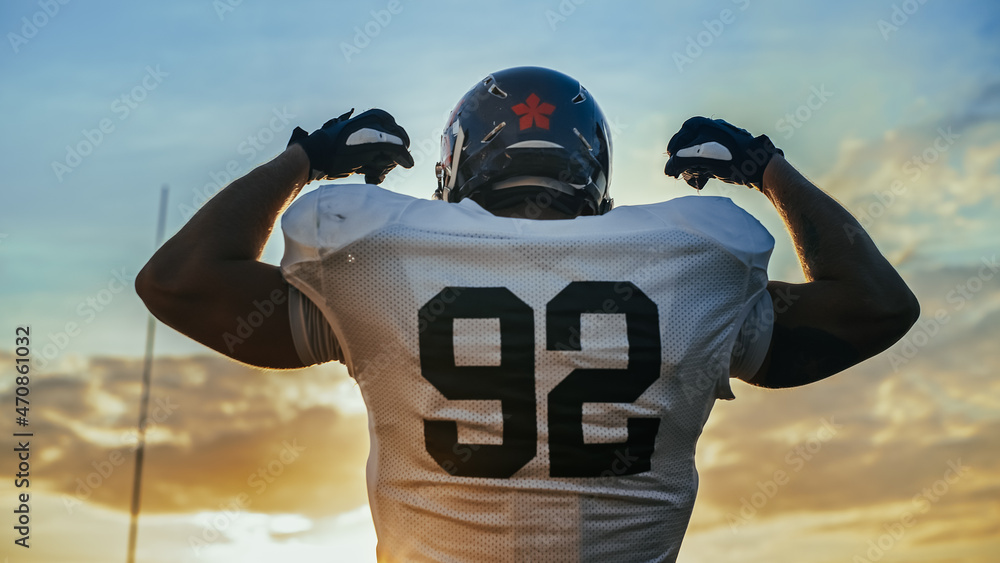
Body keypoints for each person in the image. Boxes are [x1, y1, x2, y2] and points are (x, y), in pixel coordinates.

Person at [137, 66, 919, 562]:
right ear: (594, 166)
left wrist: (305, 158)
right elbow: (877, 307)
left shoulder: (374, 255)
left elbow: (178, 282)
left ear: (456, 164)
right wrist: (767, 168)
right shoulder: (697, 260)